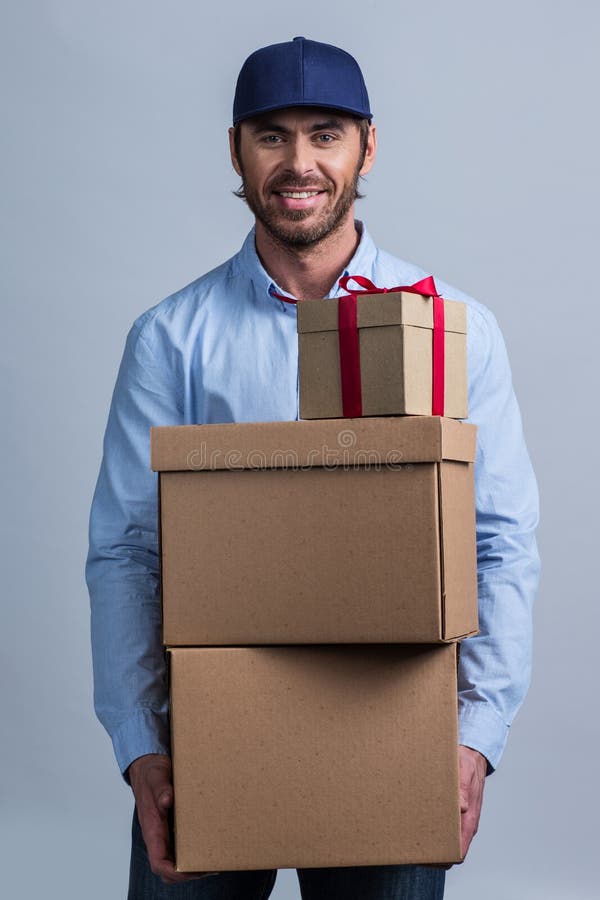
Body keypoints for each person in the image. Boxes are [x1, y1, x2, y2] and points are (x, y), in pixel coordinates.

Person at [86, 36, 540, 899]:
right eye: (272, 135)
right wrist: (142, 746)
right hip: (212, 740)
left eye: (325, 134)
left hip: (395, 725)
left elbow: (501, 540)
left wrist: (474, 737)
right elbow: (127, 550)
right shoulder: (172, 339)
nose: (299, 163)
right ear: (235, 150)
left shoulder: (452, 330)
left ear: (369, 145)